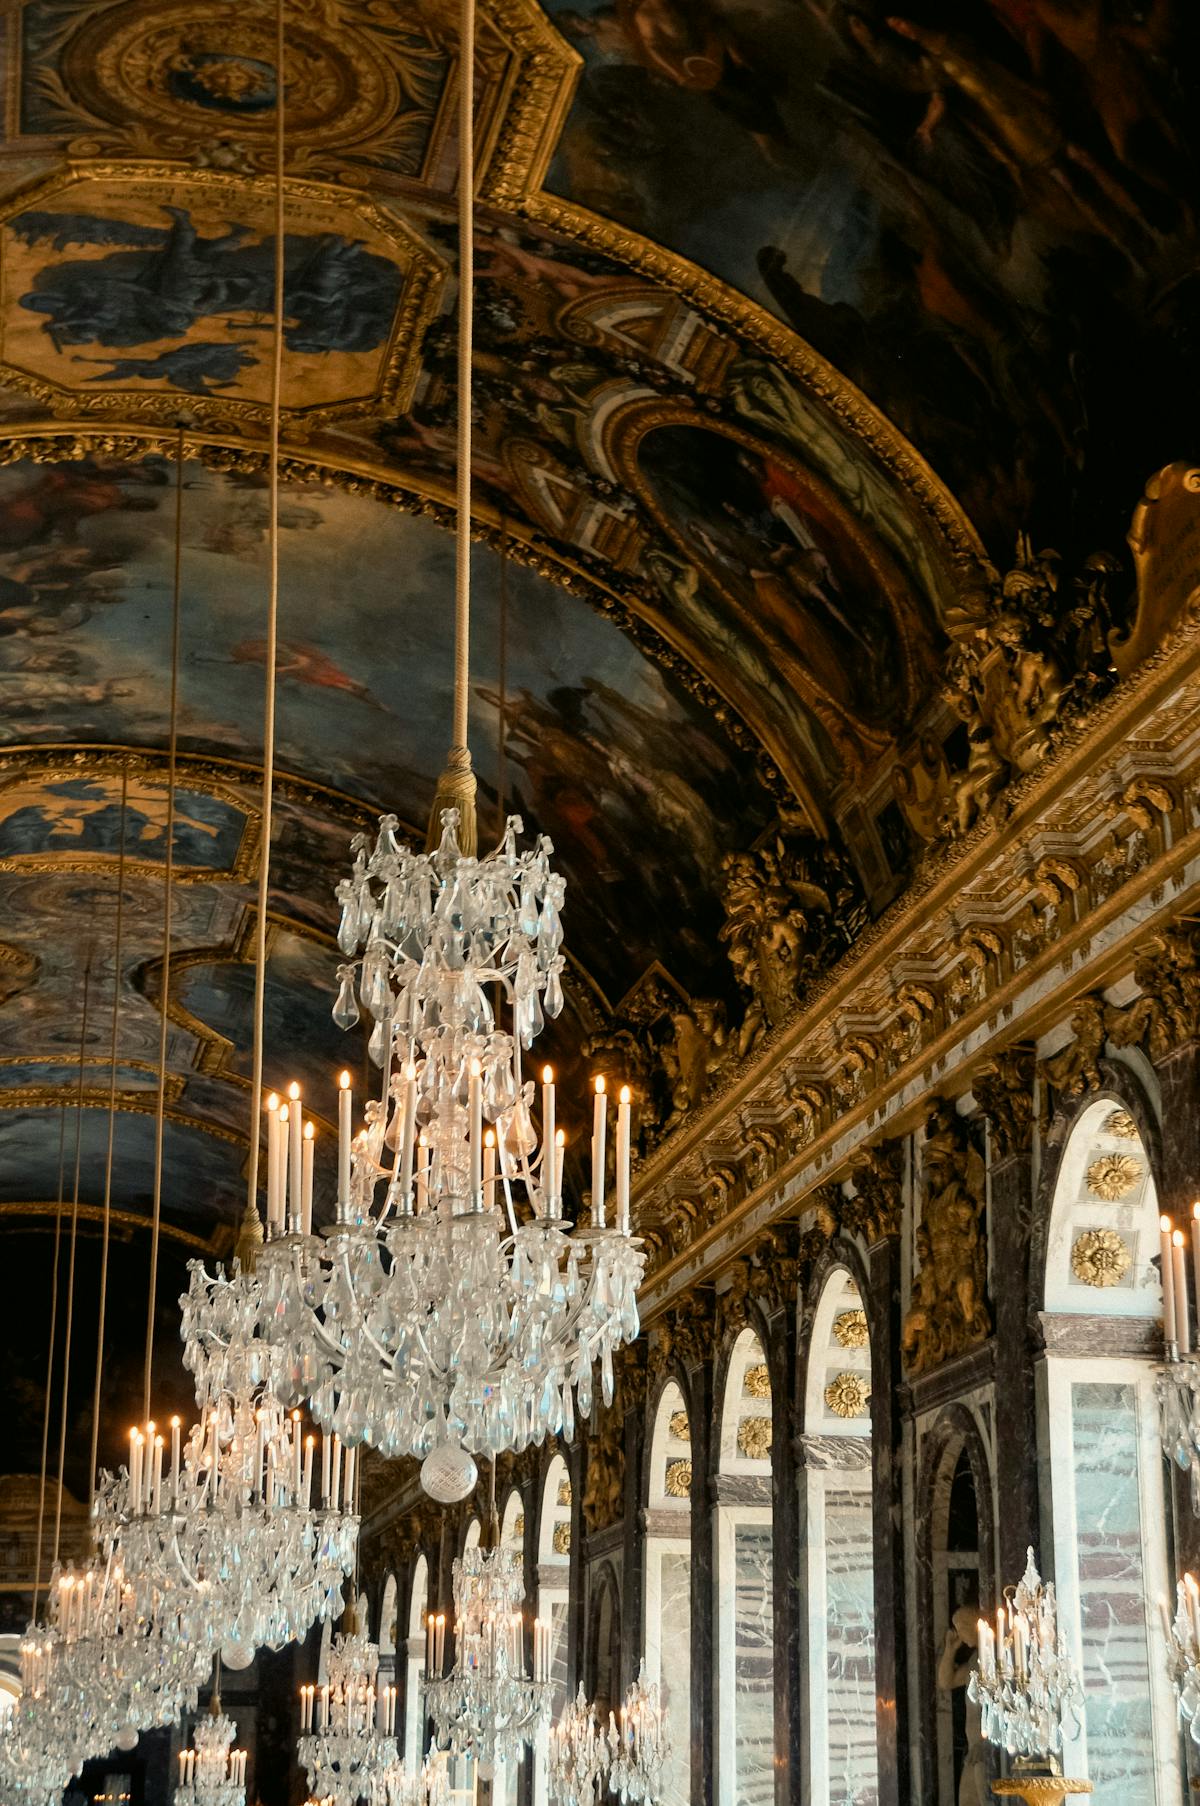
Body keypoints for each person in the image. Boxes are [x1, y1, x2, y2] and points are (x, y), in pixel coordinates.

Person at [937, 1603, 987, 1806]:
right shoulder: (975, 1660)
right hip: (973, 1746)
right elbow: (946, 1681)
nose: (960, 1635)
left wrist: (985, 1743)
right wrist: (950, 1650)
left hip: (985, 1746)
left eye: (962, 1629)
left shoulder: (991, 1657)